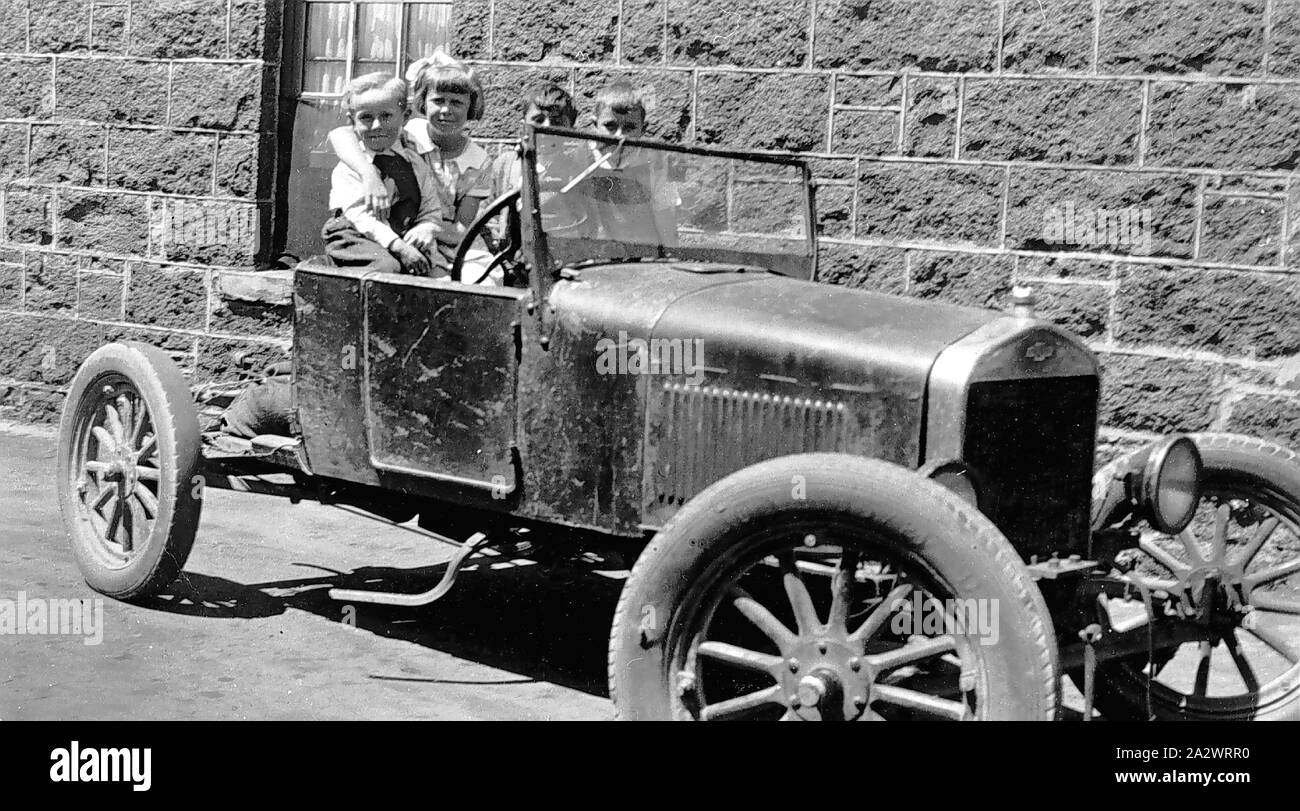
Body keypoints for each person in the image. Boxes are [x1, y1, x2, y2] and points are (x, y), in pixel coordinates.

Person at [327, 49, 494, 273]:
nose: (445, 110)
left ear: (471, 106)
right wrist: (369, 175)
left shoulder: (480, 162)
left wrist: (430, 229)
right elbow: (341, 134)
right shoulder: (408, 133)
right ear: (423, 102)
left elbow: (462, 227)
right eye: (438, 100)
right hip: (396, 227)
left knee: (479, 279)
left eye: (456, 102)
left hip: (446, 237)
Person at [321, 72, 448, 276]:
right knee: (388, 269)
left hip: (399, 237)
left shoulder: (414, 162)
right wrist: (399, 247)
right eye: (366, 118)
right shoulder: (352, 164)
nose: (377, 126)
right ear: (352, 121)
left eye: (386, 116)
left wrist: (426, 227)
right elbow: (361, 218)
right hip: (355, 236)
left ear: (405, 117)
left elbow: (430, 209)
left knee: (438, 274)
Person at [581, 82, 679, 249]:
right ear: (594, 125)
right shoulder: (582, 158)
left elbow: (666, 217)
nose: (619, 136)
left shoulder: (654, 162)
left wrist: (671, 256)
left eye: (629, 128)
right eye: (610, 126)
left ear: (643, 129)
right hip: (597, 255)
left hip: (643, 254)